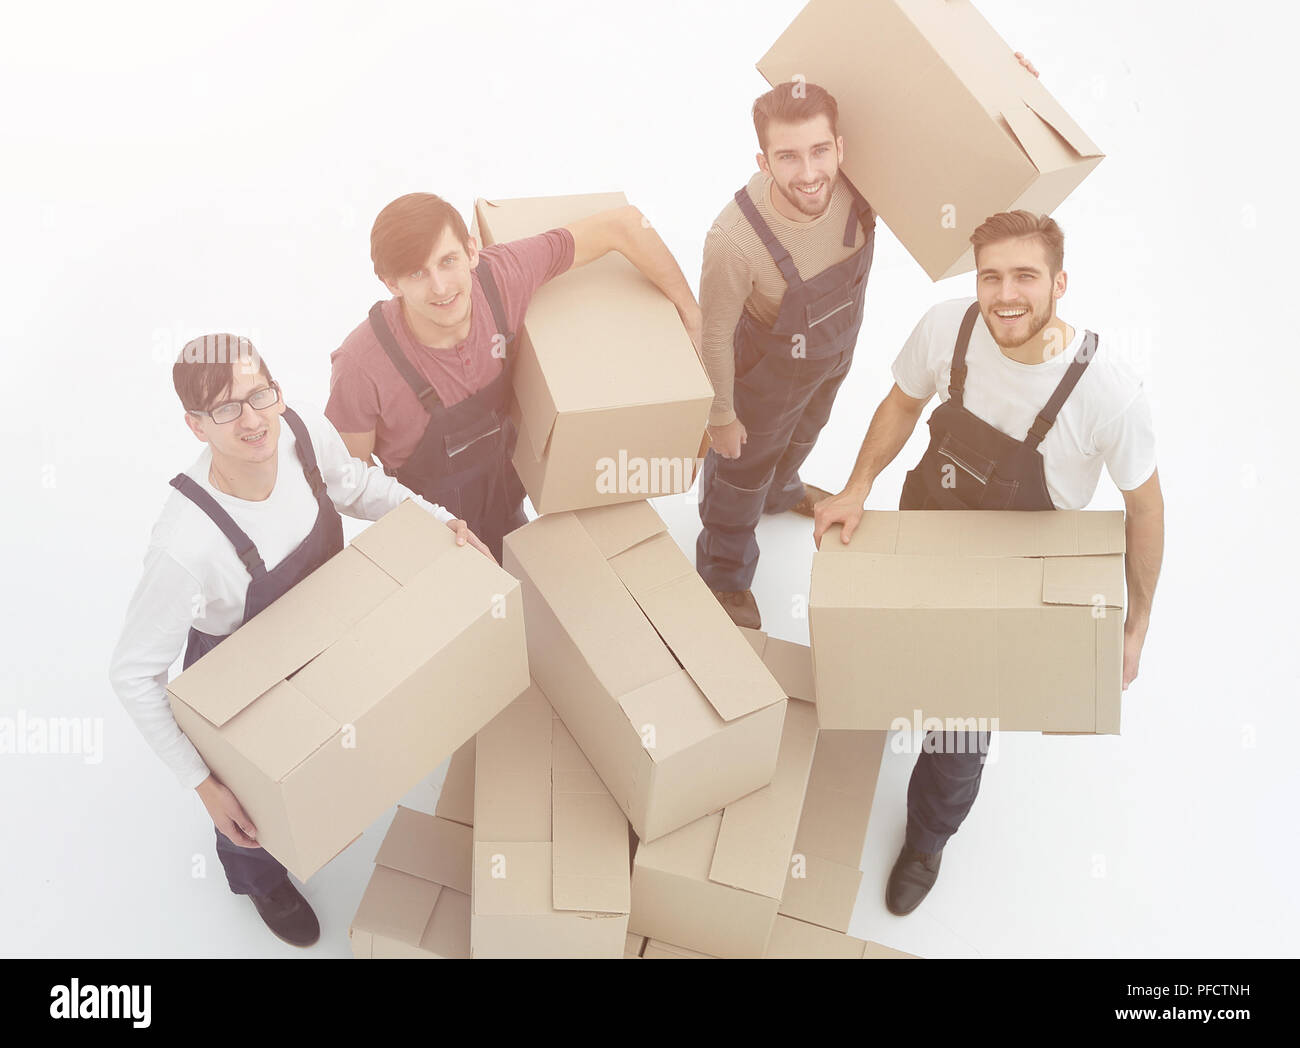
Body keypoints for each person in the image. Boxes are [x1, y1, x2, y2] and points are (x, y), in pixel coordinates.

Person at [813, 211, 1164, 917]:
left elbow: (1145, 509)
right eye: (991, 276)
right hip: (926, 529)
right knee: (883, 655)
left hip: (1014, 576)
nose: (1006, 294)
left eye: (1026, 276)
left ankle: (927, 840)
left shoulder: (1108, 393)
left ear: (1060, 283)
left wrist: (1137, 621)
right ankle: (884, 705)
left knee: (960, 730)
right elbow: (903, 402)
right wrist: (857, 488)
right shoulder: (949, 327)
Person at [109, 335, 490, 947]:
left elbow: (359, 487)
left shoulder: (300, 433)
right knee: (249, 814)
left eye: (259, 393)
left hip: (326, 624)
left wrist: (433, 517)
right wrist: (203, 783)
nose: (253, 419)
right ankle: (261, 880)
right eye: (226, 408)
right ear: (195, 425)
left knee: (344, 739)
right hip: (245, 672)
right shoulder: (185, 547)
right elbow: (132, 674)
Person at [696, 56, 1039, 630]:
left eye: (819, 151)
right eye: (788, 156)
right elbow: (711, 334)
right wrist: (721, 415)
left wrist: (1009, 92)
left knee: (805, 433)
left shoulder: (861, 185)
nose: (809, 173)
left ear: (840, 146)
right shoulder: (735, 239)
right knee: (740, 470)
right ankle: (724, 574)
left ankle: (781, 489)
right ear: (763, 160)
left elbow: (950, 161)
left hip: (833, 356)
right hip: (764, 374)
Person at [325, 193, 703, 560]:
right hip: (435, 534)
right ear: (392, 283)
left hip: (506, 490)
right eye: (418, 273)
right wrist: (426, 527)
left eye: (448, 261)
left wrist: (692, 314)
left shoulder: (502, 277)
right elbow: (348, 477)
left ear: (472, 251)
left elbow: (622, 223)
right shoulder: (361, 365)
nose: (440, 287)